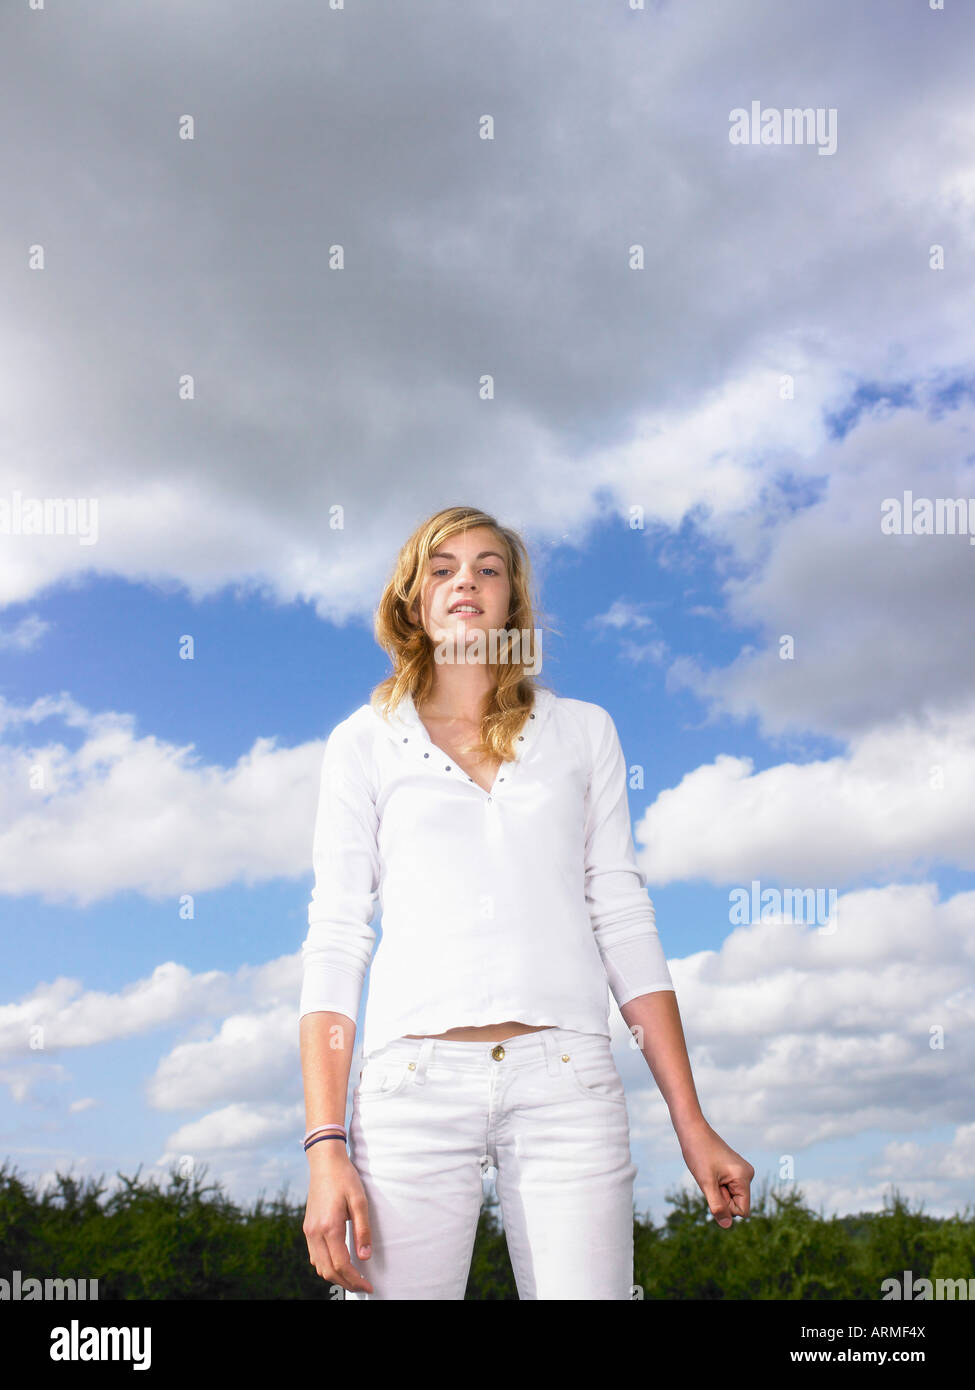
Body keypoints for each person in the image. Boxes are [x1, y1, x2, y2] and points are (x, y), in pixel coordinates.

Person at [299, 505, 753, 1299]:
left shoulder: (583, 733)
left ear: (512, 603)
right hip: (410, 1085)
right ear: (412, 602)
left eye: (488, 568)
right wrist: (324, 1145)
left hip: (566, 1081)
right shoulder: (362, 742)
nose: (465, 581)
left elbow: (622, 920)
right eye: (441, 569)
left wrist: (691, 1121)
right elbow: (336, 938)